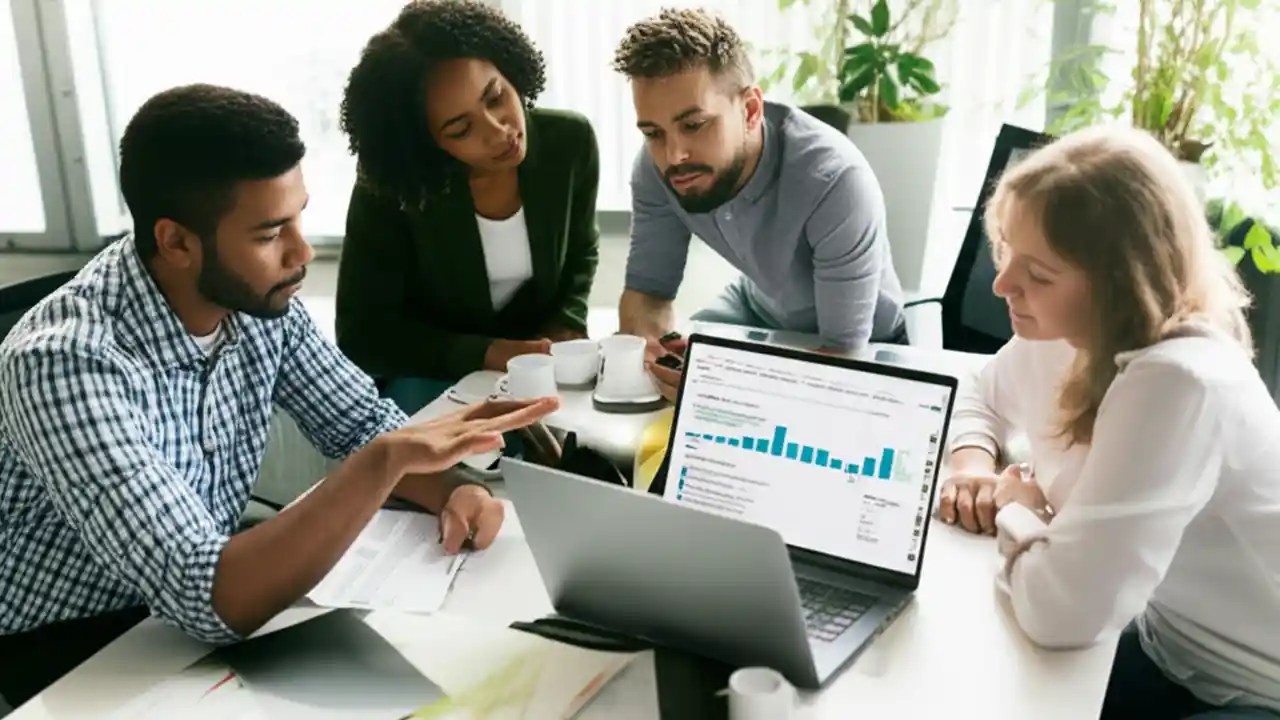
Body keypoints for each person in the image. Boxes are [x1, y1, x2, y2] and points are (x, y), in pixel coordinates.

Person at [0, 84, 557, 707]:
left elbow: (359, 424)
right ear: (177, 243)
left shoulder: (256, 296)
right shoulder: (62, 360)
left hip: (208, 602)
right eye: (270, 233)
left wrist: (458, 488)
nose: (302, 253)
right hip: (70, 648)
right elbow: (202, 595)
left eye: (298, 217)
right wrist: (388, 459)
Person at [938, 126, 1279, 717]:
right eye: (1005, 252)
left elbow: (1061, 613)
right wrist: (972, 465)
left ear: (1123, 282)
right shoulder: (1070, 332)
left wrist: (1024, 506)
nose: (1002, 285)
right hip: (1170, 647)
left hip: (1256, 687)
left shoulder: (1181, 381)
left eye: (1038, 274)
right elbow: (980, 388)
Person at [611, 8, 907, 401]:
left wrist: (722, 382)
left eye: (694, 125)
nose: (674, 155)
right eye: (653, 133)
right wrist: (653, 349)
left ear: (750, 110)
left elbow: (841, 363)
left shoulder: (835, 180)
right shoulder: (654, 168)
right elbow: (648, 294)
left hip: (864, 344)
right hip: (757, 308)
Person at [337, 0, 601, 414]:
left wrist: (566, 326)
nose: (500, 132)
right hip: (430, 372)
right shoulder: (395, 188)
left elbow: (581, 251)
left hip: (530, 366)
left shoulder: (569, 143)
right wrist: (486, 353)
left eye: (496, 97)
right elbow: (364, 335)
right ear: (427, 143)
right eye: (461, 129)